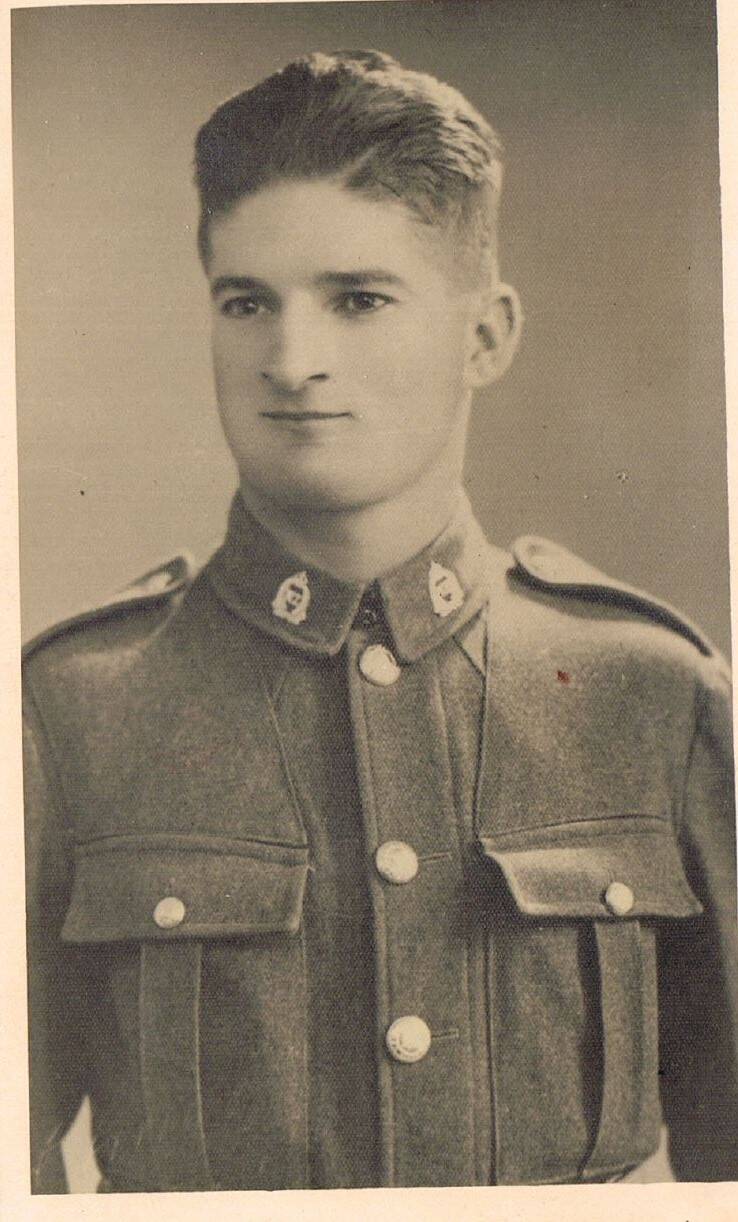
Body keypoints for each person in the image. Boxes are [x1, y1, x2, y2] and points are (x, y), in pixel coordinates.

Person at [22, 49, 737, 1193]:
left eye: (358, 299)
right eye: (247, 303)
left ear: (487, 337)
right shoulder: (72, 711)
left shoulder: (650, 694)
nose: (293, 361)